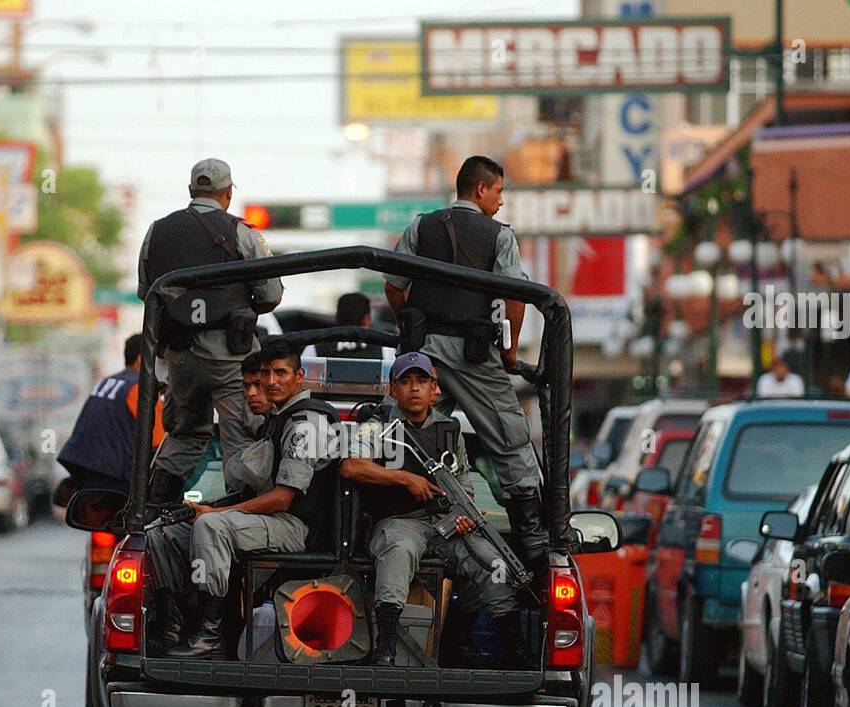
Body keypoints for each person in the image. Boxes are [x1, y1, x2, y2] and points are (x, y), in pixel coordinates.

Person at [383, 155, 548, 574]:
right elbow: (516, 296)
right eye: (499, 191)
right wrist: (509, 353)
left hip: (422, 355)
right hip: (474, 355)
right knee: (510, 438)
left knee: (405, 438)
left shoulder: (421, 226)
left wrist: (411, 327)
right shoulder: (498, 235)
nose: (501, 201)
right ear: (481, 190)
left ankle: (396, 520)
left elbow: (393, 284)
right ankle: (531, 544)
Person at [146, 340, 340, 660]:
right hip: (272, 521)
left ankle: (210, 637)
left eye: (281, 373)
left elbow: (282, 499)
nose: (270, 382)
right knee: (162, 532)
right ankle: (173, 624)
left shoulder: (306, 423)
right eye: (266, 374)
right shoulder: (278, 419)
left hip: (297, 528)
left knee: (211, 525)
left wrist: (215, 512)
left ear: (299, 377)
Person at [340, 352, 524, 668]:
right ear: (392, 389)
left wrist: (463, 517)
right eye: (406, 382)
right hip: (399, 521)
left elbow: (462, 484)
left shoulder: (449, 430)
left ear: (434, 388)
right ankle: (385, 645)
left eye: (422, 381)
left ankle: (478, 641)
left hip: (445, 523)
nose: (414, 389)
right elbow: (351, 466)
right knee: (398, 550)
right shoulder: (377, 424)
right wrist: (404, 478)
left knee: (493, 563)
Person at [138, 158, 284, 504]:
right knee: (241, 435)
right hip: (231, 356)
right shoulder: (241, 232)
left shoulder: (157, 231)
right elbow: (271, 294)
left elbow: (148, 292)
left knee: (185, 434)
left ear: (191, 191)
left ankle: (155, 510)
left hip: (180, 355)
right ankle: (237, 515)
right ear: (229, 193)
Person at [56, 334, 163, 499]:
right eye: (161, 360)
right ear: (142, 359)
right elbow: (160, 443)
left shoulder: (106, 382)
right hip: (115, 477)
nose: (165, 367)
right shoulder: (140, 388)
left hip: (86, 469)